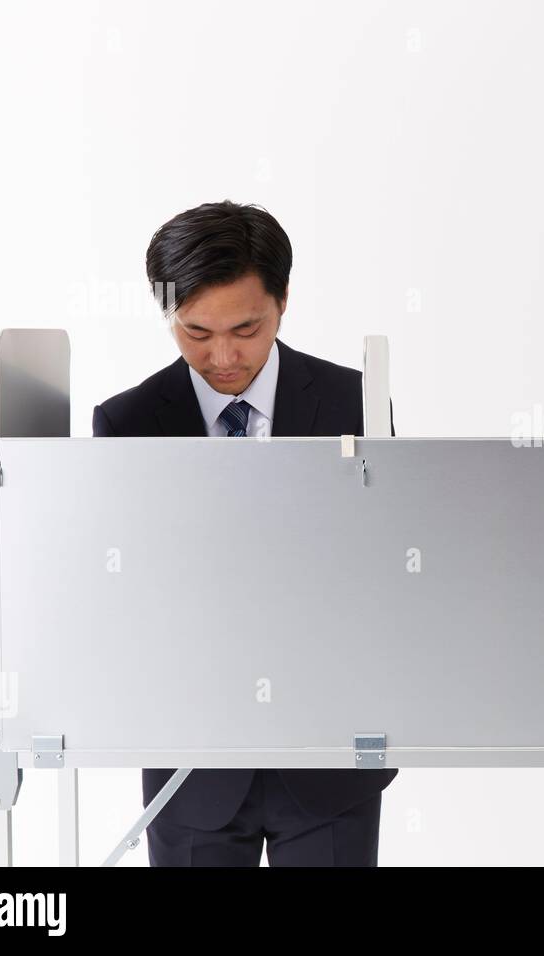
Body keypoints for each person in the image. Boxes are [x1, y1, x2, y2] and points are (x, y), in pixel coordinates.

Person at [92, 200, 397, 865]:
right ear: (167, 312)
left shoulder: (355, 403)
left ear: (283, 301)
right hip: (191, 765)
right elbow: (127, 597)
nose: (223, 356)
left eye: (247, 327)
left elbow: (381, 572)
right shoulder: (128, 423)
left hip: (328, 760)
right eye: (195, 331)